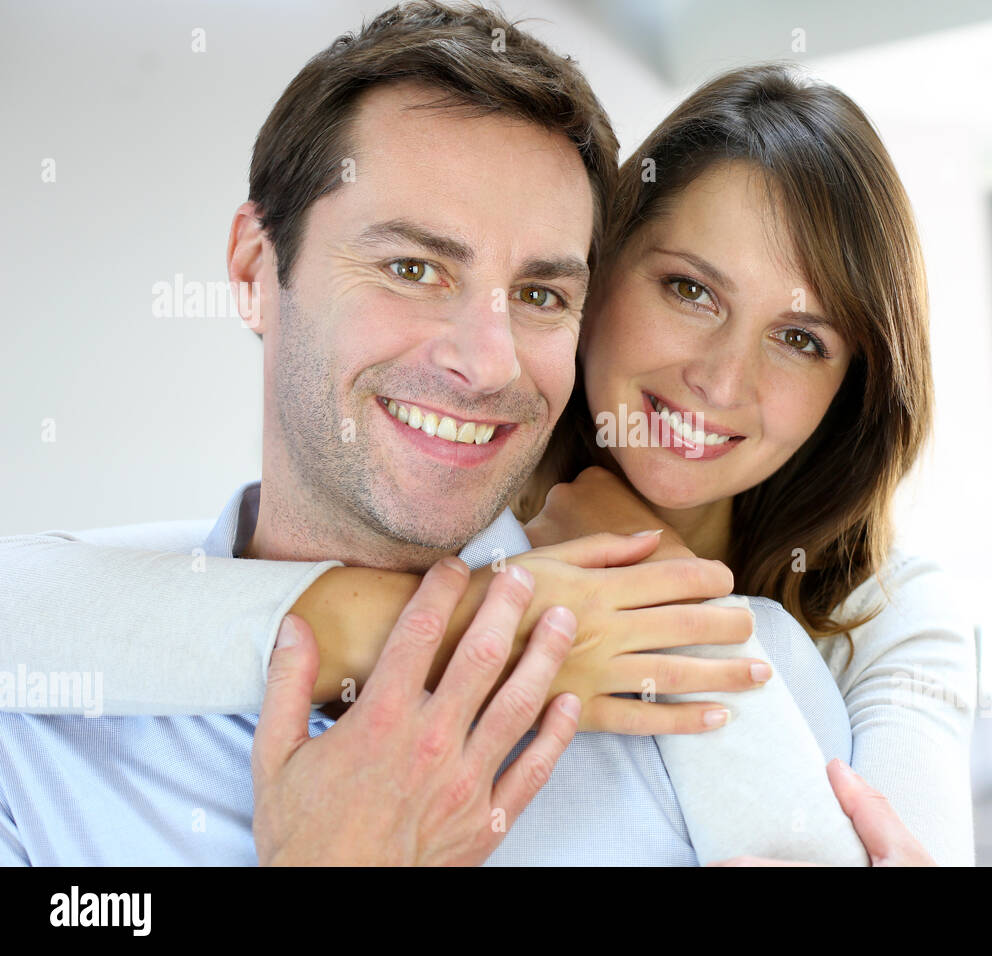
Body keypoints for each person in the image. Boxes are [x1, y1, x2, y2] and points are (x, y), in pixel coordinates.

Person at [0, 1, 886, 867]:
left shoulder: (724, 675)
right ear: (254, 270)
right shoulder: (39, 731)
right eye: (413, 268)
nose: (488, 362)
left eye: (541, 295)